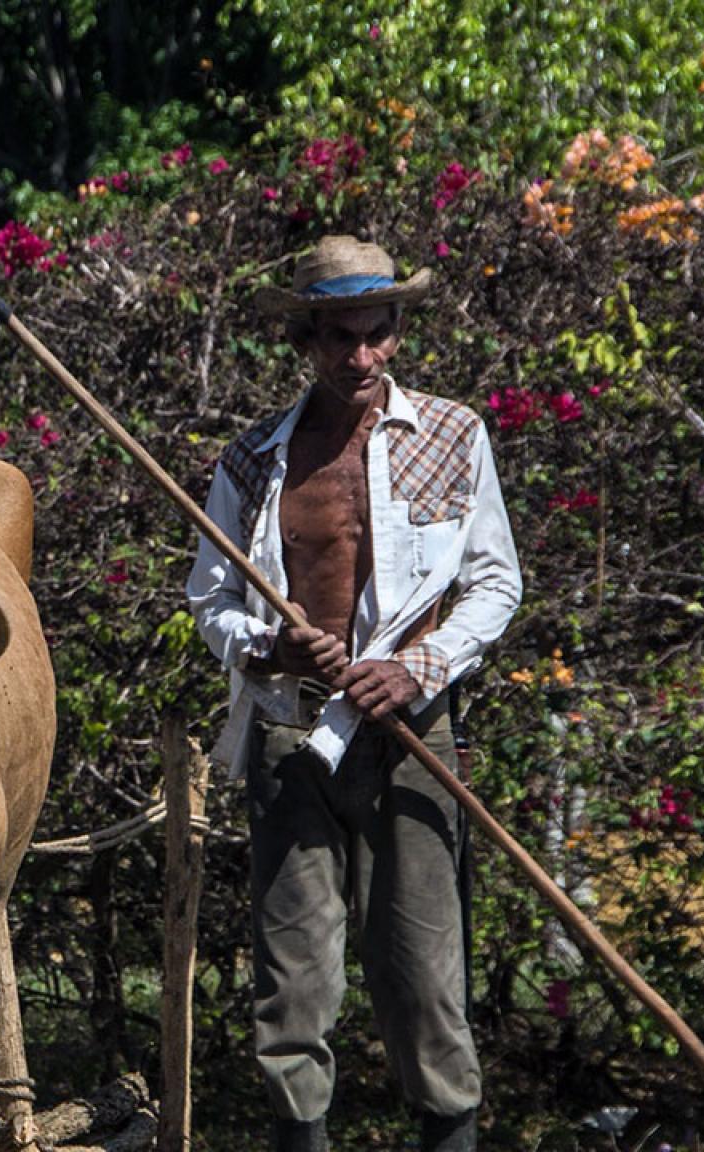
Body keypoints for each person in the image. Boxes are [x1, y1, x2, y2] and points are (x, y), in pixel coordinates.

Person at [186, 236, 521, 1152]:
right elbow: (209, 597)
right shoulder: (254, 460)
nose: (362, 358)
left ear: (398, 329)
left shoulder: (453, 437)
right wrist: (269, 648)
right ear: (306, 339)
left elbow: (496, 585)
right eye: (342, 338)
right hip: (293, 742)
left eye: (378, 335)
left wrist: (417, 667)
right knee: (292, 989)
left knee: (423, 980)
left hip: (412, 738)